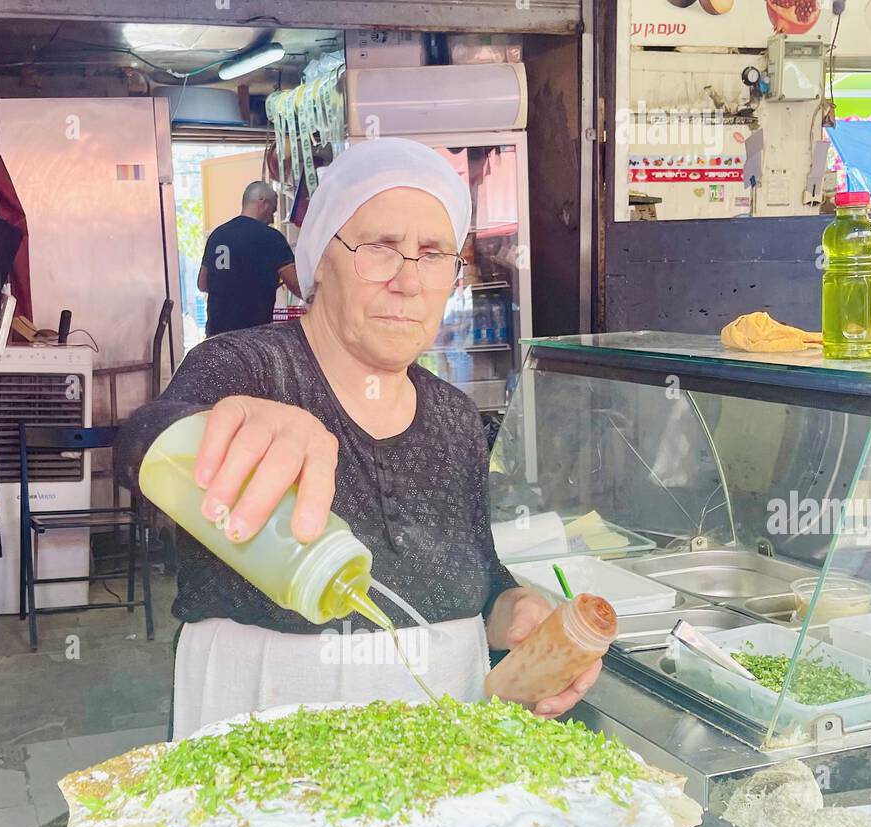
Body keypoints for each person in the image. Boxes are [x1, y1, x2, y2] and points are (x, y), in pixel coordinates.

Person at [120, 139, 601, 739]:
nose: (408, 281)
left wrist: (515, 612)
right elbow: (142, 442)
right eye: (380, 248)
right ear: (320, 258)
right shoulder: (246, 368)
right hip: (265, 724)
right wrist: (235, 423)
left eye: (432, 255)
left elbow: (478, 572)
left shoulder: (453, 416)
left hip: (439, 731)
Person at [197, 181, 301, 336]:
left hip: (216, 337)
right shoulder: (271, 238)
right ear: (263, 202)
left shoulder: (217, 235)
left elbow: (202, 284)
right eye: (272, 211)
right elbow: (297, 286)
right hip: (252, 340)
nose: (272, 220)